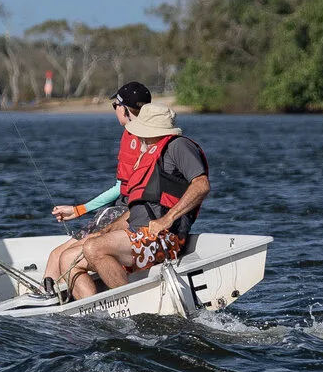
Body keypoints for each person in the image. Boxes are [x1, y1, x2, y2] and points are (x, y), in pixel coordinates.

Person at [42, 83, 210, 300]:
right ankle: (94, 315)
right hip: (136, 233)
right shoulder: (148, 155)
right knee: (67, 260)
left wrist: (167, 220)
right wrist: (107, 230)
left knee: (94, 248)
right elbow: (138, 207)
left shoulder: (178, 146)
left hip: (164, 238)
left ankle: (131, 306)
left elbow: (201, 185)